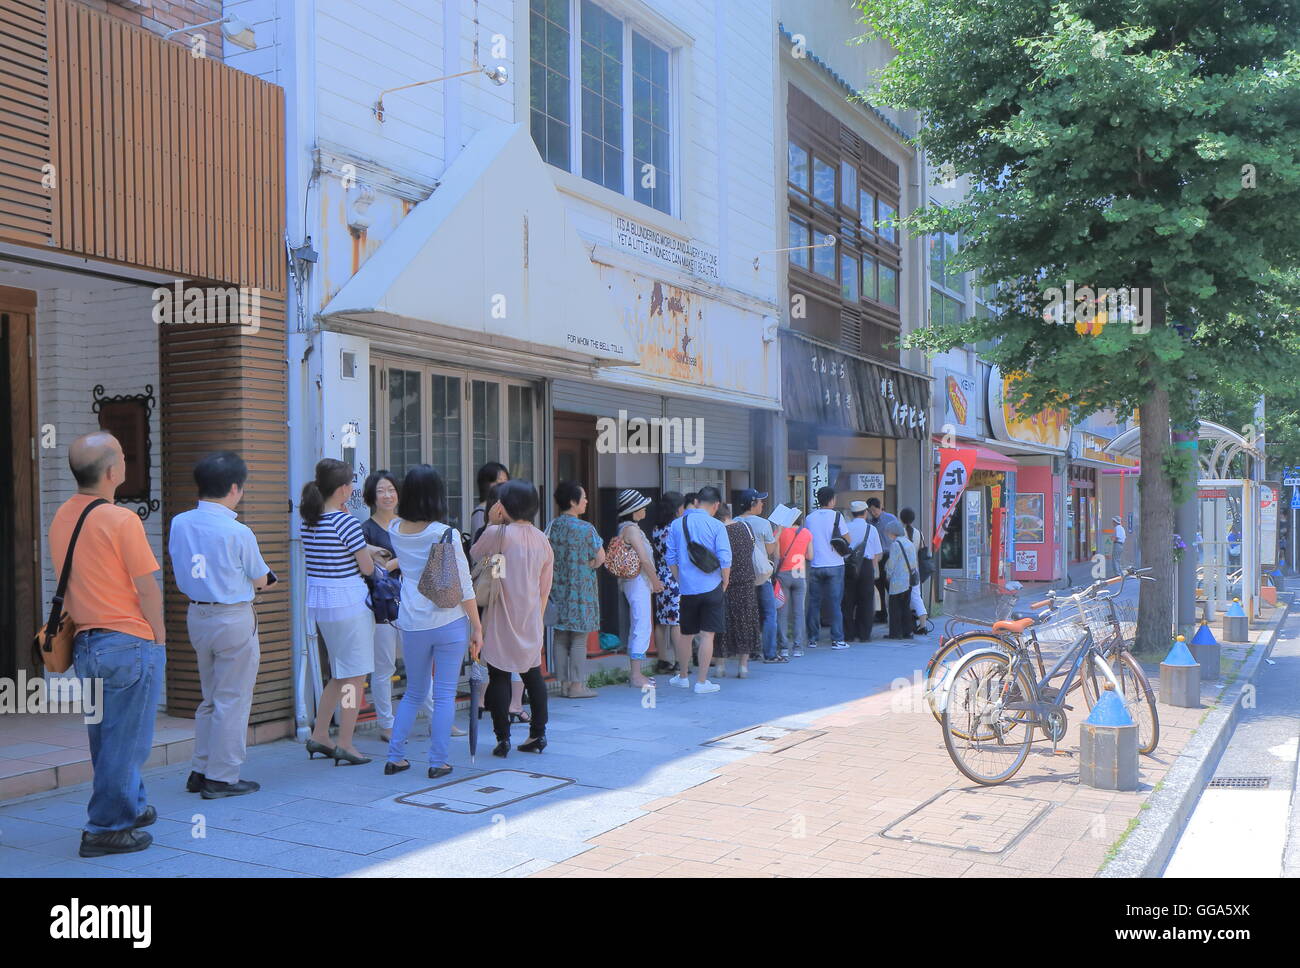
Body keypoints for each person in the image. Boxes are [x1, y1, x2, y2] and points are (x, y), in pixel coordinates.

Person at [51, 432, 166, 857]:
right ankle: (105, 828)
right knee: (128, 740)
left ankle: (130, 806)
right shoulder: (121, 520)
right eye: (122, 455)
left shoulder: (63, 515)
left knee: (107, 737)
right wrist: (159, 636)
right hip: (127, 640)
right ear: (113, 470)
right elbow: (147, 589)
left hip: (87, 644)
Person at [168, 451, 271, 800]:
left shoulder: (180, 522)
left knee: (210, 698)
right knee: (233, 699)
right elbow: (260, 578)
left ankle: (200, 769)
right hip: (232, 617)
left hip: (197, 615)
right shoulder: (238, 531)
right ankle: (222, 777)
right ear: (234, 487)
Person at [384, 465, 483, 779]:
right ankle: (438, 762)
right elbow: (464, 584)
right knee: (443, 694)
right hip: (448, 619)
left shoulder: (395, 529)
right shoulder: (446, 533)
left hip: (411, 620)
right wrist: (477, 626)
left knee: (414, 691)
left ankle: (395, 756)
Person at [301, 458, 375, 766]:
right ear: (344, 489)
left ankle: (320, 734)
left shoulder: (308, 520)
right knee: (354, 677)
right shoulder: (346, 523)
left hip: (321, 603)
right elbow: (367, 567)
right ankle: (345, 741)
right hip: (348, 602)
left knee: (339, 673)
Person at [472, 480, 554, 756]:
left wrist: (490, 523)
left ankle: (502, 738)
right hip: (531, 616)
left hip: (500, 615)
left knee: (499, 676)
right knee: (533, 676)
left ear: (502, 505)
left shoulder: (498, 533)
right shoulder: (542, 539)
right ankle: (538, 735)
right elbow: (545, 588)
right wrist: (537, 618)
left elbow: (474, 553)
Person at [362, 470, 434, 741]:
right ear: (372, 495)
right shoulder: (365, 530)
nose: (388, 495)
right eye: (381, 490)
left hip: (413, 603)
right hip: (382, 607)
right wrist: (398, 561)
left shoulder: (407, 525)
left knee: (420, 664)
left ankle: (435, 718)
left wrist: (391, 561)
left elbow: (423, 559)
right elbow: (369, 568)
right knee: (384, 668)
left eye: (391, 489)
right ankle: (386, 724)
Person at [665, 484, 731, 693]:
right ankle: (702, 682)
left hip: (687, 589)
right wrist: (725, 582)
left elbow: (671, 558)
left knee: (686, 634)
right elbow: (725, 558)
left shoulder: (677, 524)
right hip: (712, 586)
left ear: (696, 502)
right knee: (707, 635)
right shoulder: (717, 525)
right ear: (716, 505)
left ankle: (683, 676)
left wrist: (680, 579)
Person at [547, 481, 604, 698]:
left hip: (557, 589)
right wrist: (587, 565)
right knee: (579, 638)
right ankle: (577, 686)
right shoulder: (586, 528)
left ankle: (562, 684)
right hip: (581, 592)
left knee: (560, 635)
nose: (587, 501)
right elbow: (600, 557)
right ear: (573, 501)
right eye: (584, 497)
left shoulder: (553, 526)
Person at [613, 489, 663, 689]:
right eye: (642, 506)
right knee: (642, 626)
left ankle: (637, 673)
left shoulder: (625, 527)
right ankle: (635, 675)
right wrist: (656, 581)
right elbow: (643, 558)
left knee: (639, 625)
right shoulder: (632, 529)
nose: (645, 509)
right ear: (634, 510)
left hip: (633, 581)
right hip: (638, 581)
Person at [715, 503, 760, 677]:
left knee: (721, 624)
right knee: (745, 623)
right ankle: (743, 667)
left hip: (723, 584)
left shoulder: (718, 532)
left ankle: (720, 667)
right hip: (746, 583)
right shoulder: (745, 528)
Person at [737, 489, 781, 664]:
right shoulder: (763, 523)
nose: (763, 504)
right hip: (762, 575)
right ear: (753, 504)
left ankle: (752, 651)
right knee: (770, 614)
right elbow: (770, 551)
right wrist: (778, 534)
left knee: (749, 614)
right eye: (761, 502)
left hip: (742, 576)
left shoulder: (734, 521)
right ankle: (770, 653)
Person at [804, 486, 851, 650]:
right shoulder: (837, 516)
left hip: (816, 565)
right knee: (835, 603)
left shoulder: (809, 518)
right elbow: (848, 539)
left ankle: (812, 638)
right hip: (835, 565)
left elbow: (806, 539)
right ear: (831, 500)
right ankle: (837, 639)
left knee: (814, 603)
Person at [650, 492, 685, 674]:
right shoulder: (676, 527)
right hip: (675, 576)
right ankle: (680, 661)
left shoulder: (657, 528)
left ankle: (662, 660)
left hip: (660, 575)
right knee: (676, 622)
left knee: (661, 621)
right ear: (678, 508)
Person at [841, 499, 883, 642]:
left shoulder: (845, 527)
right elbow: (877, 553)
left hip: (849, 565)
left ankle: (848, 634)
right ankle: (864, 634)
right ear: (865, 513)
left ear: (852, 514)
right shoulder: (872, 529)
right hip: (866, 566)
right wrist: (872, 568)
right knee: (865, 601)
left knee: (848, 601)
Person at [774, 511, 811, 658]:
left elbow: (776, 554)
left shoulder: (780, 531)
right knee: (798, 612)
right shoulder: (807, 533)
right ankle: (798, 647)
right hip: (799, 573)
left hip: (783, 573)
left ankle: (783, 647)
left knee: (782, 612)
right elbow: (811, 556)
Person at [882, 519, 919, 640]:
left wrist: (888, 573)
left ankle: (895, 633)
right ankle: (907, 632)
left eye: (888, 532)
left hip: (897, 581)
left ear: (892, 532)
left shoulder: (895, 545)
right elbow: (914, 563)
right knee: (905, 607)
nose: (888, 535)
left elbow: (892, 563)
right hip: (908, 580)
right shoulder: (909, 543)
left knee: (895, 608)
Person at [866, 498, 901, 624]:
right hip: (876, 557)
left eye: (875, 510)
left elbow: (899, 534)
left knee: (890, 585)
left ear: (881, 507)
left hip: (889, 555)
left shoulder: (890, 518)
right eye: (871, 511)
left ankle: (895, 615)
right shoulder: (868, 521)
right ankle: (881, 615)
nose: (873, 513)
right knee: (878, 585)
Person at [899, 507, 931, 633]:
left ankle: (904, 625)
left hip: (902, 570)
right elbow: (922, 550)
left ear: (901, 518)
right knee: (916, 597)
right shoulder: (918, 533)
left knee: (901, 598)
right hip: (915, 569)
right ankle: (923, 625)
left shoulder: (900, 533)